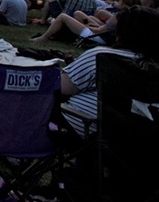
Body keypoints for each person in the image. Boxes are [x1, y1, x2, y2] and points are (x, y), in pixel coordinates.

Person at [60, 7, 159, 136]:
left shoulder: (105, 57)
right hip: (138, 141)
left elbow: (62, 87)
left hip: (89, 132)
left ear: (122, 32)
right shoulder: (152, 67)